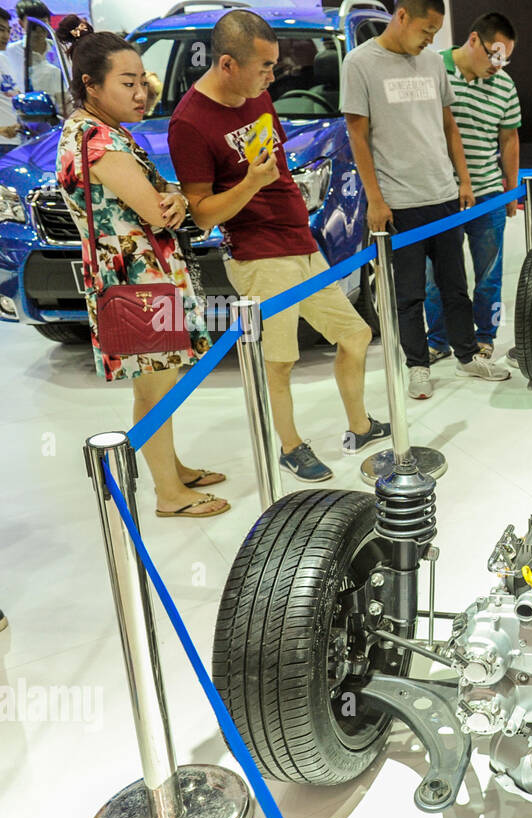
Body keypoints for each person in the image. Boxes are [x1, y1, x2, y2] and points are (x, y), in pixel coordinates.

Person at [170, 9, 390, 482]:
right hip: (257, 255)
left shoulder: (259, 96)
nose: (274, 75)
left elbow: (279, 166)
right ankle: (291, 446)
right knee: (281, 359)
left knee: (355, 335)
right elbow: (203, 213)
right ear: (227, 64)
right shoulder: (190, 122)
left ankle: (360, 425)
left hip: (299, 241)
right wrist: (251, 184)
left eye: (273, 66)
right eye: (264, 66)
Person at [58, 29, 229, 518]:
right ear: (92, 85)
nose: (140, 93)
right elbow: (156, 210)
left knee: (161, 380)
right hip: (135, 282)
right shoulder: (97, 139)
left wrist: (171, 200)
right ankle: (169, 495)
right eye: (127, 82)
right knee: (155, 385)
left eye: (142, 80)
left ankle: (171, 469)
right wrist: (171, 202)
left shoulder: (100, 130)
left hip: (141, 275)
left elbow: (160, 199)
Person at [343, 0, 508, 400]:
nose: (431, 39)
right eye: (426, 30)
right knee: (411, 293)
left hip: (444, 196)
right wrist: (375, 200)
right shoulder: (360, 63)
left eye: (436, 32)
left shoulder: (434, 64)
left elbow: (449, 126)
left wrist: (463, 180)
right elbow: (358, 137)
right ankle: (417, 365)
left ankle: (467, 356)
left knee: (456, 286)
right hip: (400, 202)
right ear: (402, 17)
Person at [424, 12, 520, 365]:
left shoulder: (505, 86)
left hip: (489, 195)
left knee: (489, 275)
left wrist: (511, 188)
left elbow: (509, 137)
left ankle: (484, 337)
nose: (499, 65)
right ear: (474, 39)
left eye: (505, 58)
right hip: (440, 196)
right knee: (436, 277)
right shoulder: (432, 69)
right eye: (495, 55)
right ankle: (438, 339)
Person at [0, 10, 21, 155]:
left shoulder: (5, 60)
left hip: (16, 142)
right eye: (1, 30)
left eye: (8, 30)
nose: (6, 36)